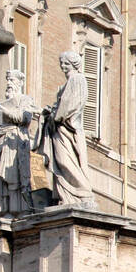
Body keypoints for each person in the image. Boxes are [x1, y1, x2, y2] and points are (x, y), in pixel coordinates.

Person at [39, 51, 97, 210]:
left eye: (66, 64)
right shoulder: (69, 82)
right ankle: (66, 196)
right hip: (61, 128)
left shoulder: (77, 79)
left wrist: (55, 115)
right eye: (62, 64)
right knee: (61, 161)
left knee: (65, 160)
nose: (63, 67)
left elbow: (70, 104)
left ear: (73, 64)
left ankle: (82, 192)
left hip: (68, 128)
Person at [0, 69, 39, 217]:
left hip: (16, 140)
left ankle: (18, 209)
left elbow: (26, 118)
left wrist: (5, 111)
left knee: (14, 174)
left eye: (12, 80)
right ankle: (3, 209)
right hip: (3, 139)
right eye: (8, 80)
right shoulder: (5, 101)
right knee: (0, 177)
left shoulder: (25, 100)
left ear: (20, 83)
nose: (9, 83)